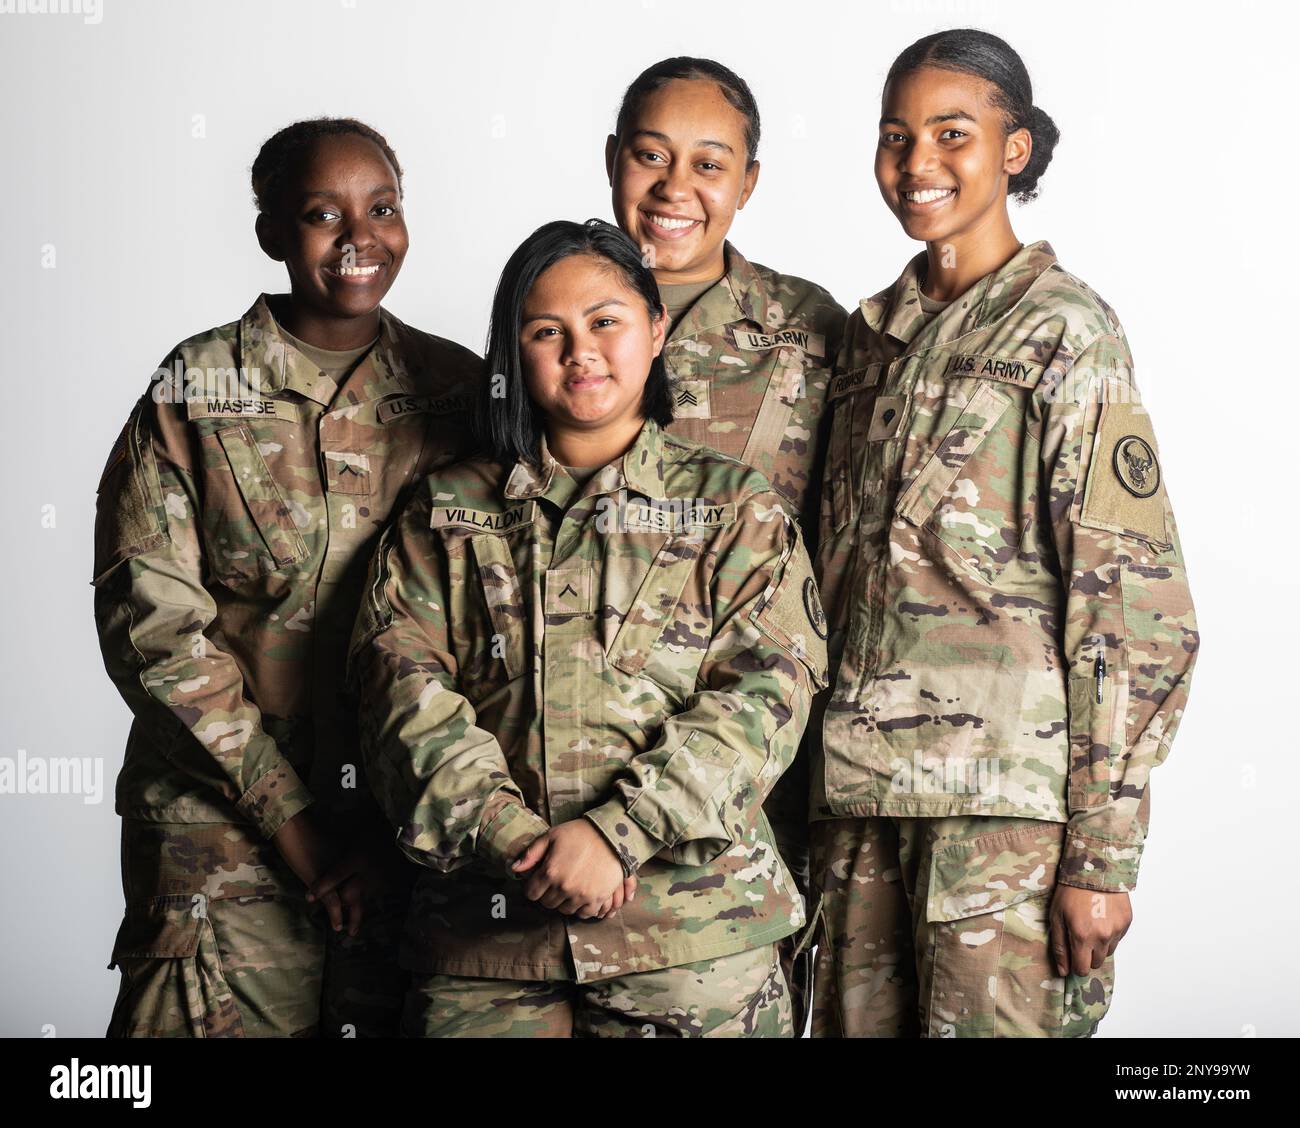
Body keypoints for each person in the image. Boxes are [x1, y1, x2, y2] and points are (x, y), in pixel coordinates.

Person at [342, 219, 827, 1037]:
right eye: (546, 331)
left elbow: (764, 698)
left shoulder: (735, 511)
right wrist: (511, 835)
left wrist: (619, 834)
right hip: (486, 943)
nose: (581, 351)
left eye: (606, 321)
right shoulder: (446, 511)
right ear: (512, 352)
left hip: (693, 944)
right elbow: (399, 689)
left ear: (656, 328)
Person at [807, 29, 1199, 1037]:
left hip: (999, 826)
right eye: (895, 137)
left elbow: (1129, 606)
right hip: (857, 806)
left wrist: (1101, 857)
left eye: (951, 133)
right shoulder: (868, 340)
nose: (916, 164)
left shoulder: (1066, 328)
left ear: (1014, 149)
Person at [92, 117, 481, 1037]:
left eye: (382, 207)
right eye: (321, 213)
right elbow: (155, 632)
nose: (360, 237)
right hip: (222, 842)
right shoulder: (196, 388)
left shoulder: (460, 393)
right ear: (271, 233)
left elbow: (489, 618)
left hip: (406, 837)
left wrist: (412, 829)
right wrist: (295, 825)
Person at [606, 57, 846, 1026]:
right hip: (576, 764)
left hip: (752, 779)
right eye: (650, 156)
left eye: (710, 164)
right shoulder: (556, 313)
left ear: (748, 182)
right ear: (613, 160)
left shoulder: (810, 336)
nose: (675, 189)